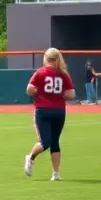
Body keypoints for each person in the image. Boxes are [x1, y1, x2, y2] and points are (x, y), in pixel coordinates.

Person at [24, 48, 75, 181]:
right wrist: (61, 94)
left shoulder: (40, 72)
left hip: (43, 109)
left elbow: (29, 89)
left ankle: (31, 158)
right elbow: (71, 94)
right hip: (59, 110)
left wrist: (38, 92)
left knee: (46, 142)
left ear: (46, 58)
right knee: (53, 142)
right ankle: (55, 173)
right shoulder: (63, 74)